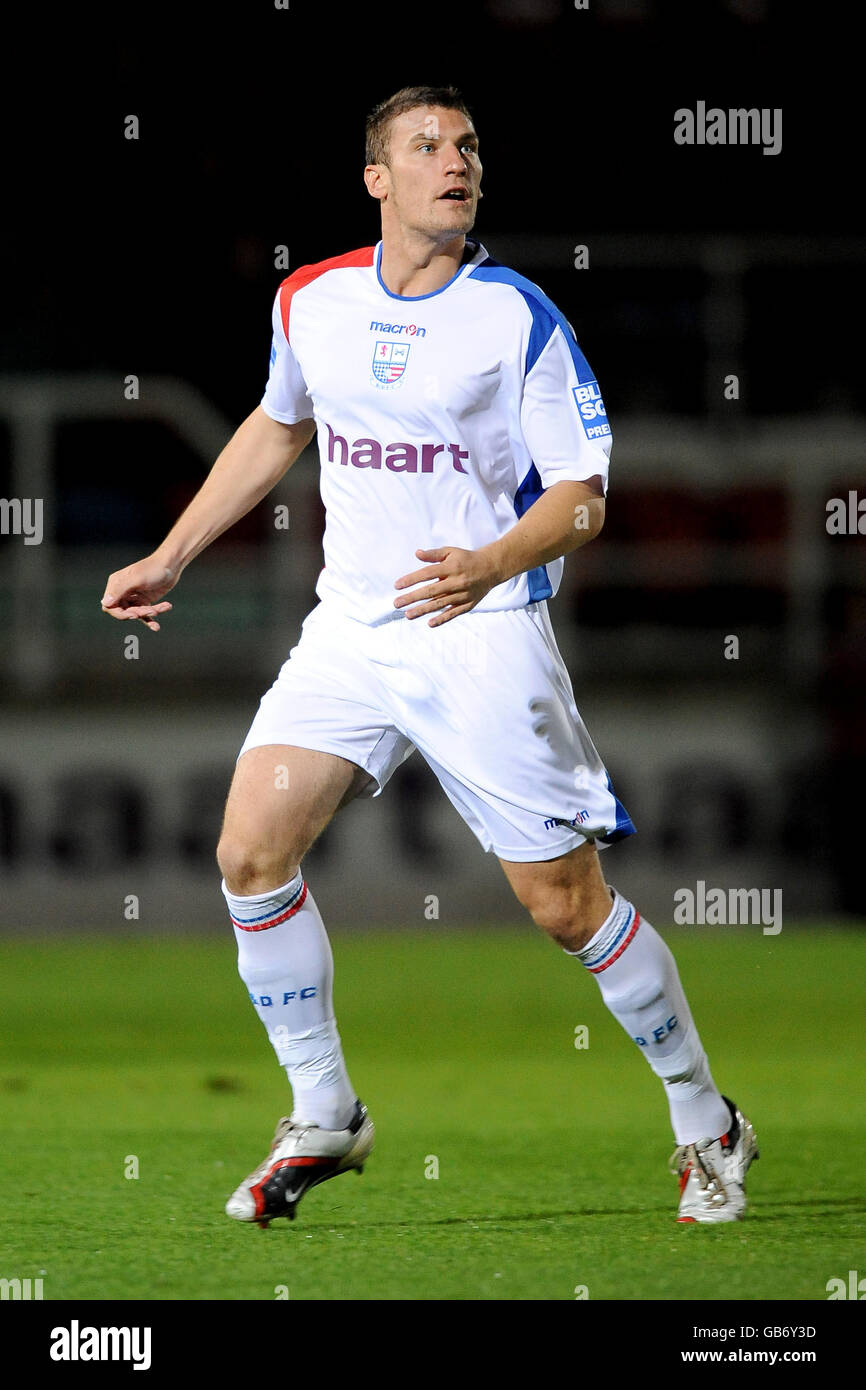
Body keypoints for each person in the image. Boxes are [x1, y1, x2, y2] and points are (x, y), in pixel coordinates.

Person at [101, 85, 757, 1227]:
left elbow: (584, 500)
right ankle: (324, 1110)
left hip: (480, 629)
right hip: (351, 627)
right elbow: (277, 425)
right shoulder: (313, 298)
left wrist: (492, 562)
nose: (453, 162)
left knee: (562, 907)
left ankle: (706, 1118)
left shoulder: (516, 317)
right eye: (425, 146)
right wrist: (173, 553)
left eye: (465, 147)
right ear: (376, 178)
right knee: (249, 849)